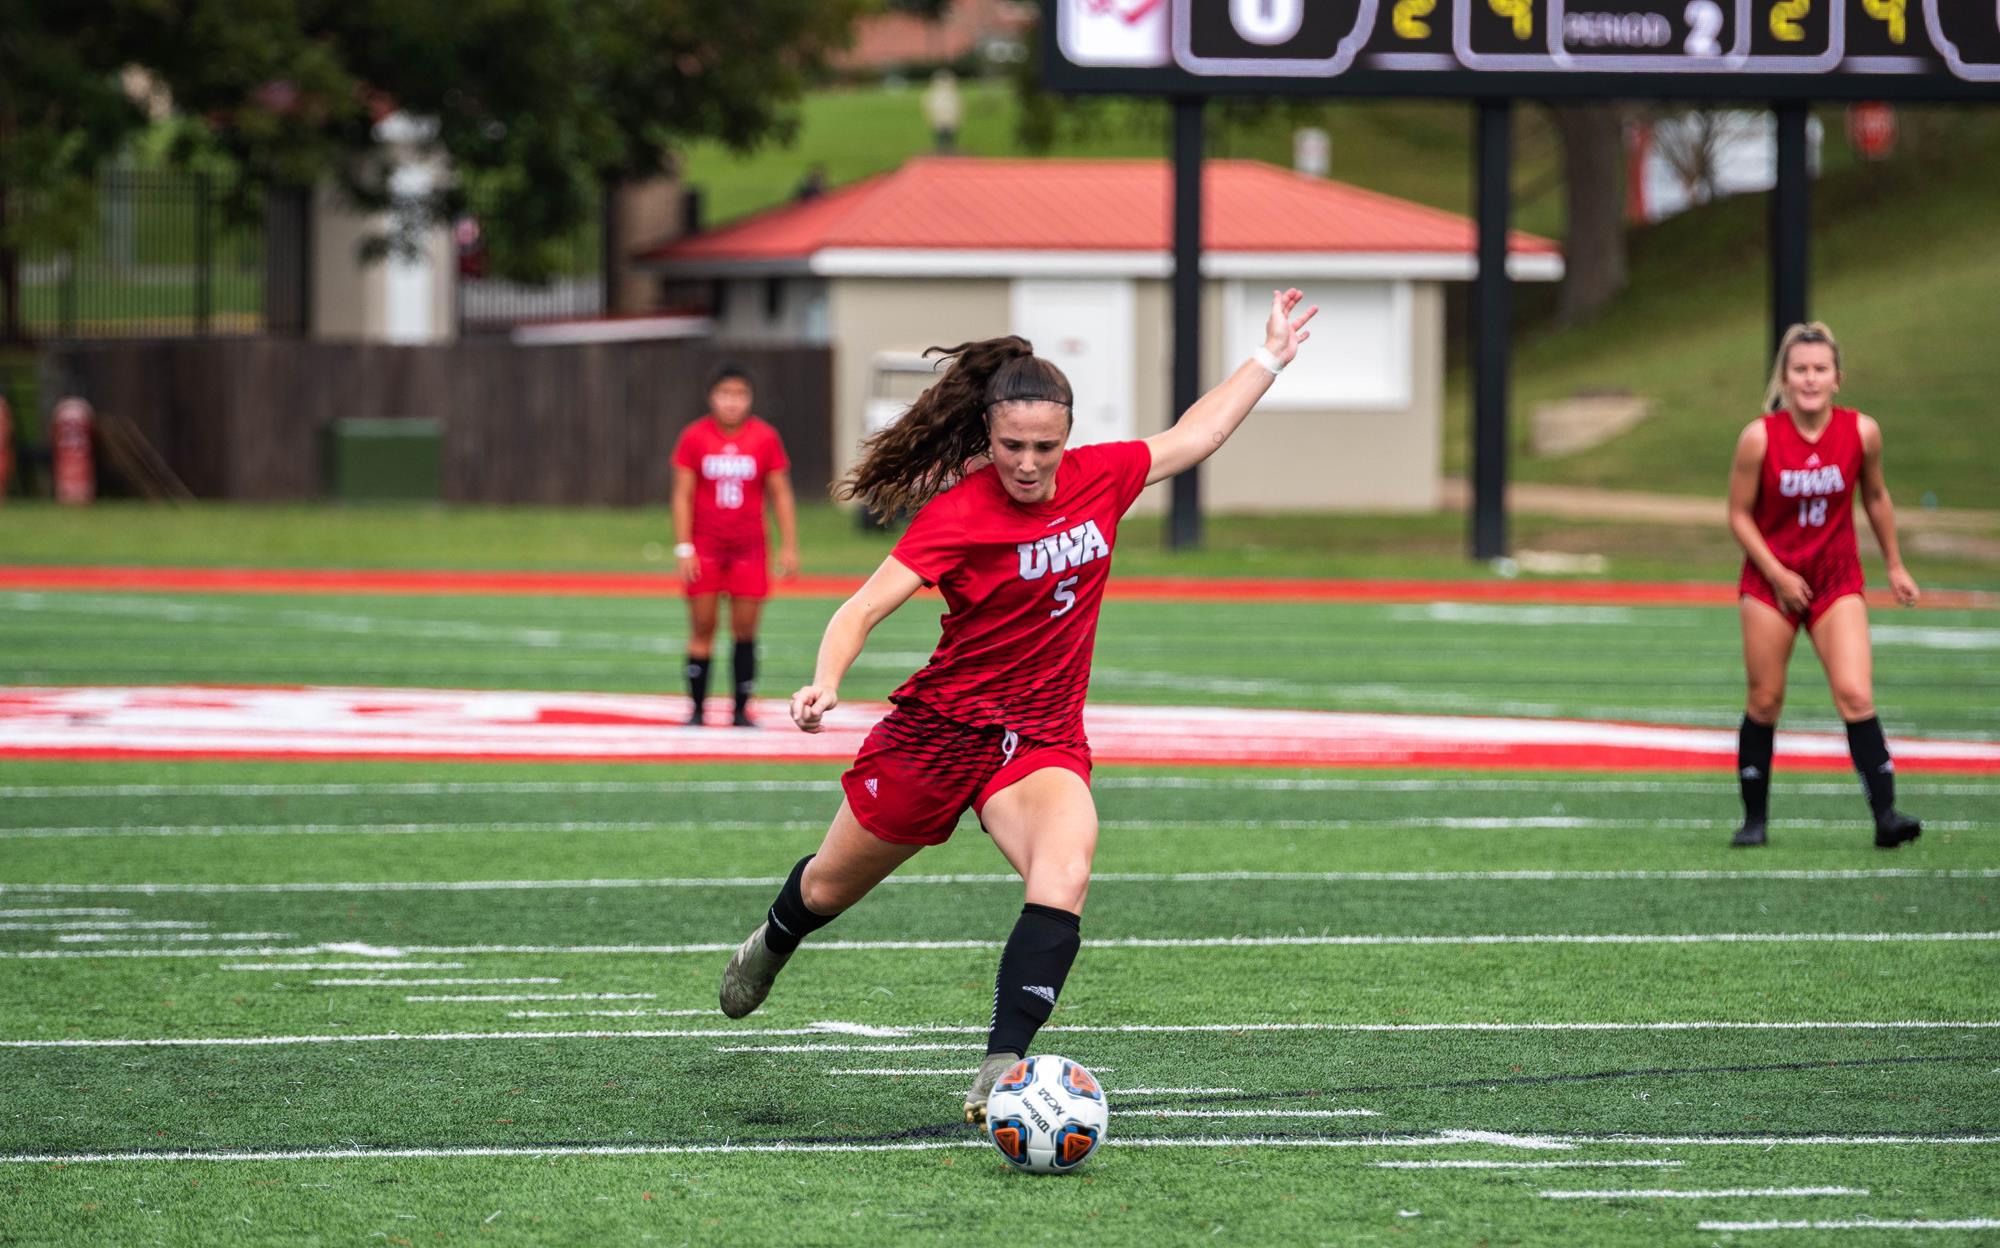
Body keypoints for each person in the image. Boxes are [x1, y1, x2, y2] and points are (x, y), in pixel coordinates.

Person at [717, 289, 1318, 1124]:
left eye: (1044, 446)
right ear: (987, 437)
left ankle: (1003, 1063)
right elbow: (859, 609)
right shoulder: (958, 514)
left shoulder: (1100, 476)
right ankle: (772, 942)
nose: (1029, 463)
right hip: (935, 737)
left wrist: (1269, 359)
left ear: (1067, 436)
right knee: (826, 889)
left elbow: (1197, 433)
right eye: (1011, 447)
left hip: (1038, 739)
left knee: (1064, 869)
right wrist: (826, 682)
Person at [1727, 322, 1922, 848]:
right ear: (1784, 379)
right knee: (1765, 700)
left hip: (1836, 578)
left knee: (1856, 693)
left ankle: (1886, 818)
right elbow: (1739, 516)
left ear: (1838, 377)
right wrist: (1777, 575)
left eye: (1820, 369)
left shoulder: (1862, 432)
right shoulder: (1759, 437)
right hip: (1773, 579)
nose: (1810, 379)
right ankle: (1754, 821)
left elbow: (1876, 497)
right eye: (1800, 370)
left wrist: (1895, 565)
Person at [671, 363, 800, 727]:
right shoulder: (694, 437)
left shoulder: (764, 438)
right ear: (712, 397)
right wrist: (684, 547)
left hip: (749, 547)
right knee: (702, 626)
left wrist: (789, 545)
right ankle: (696, 710)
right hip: (706, 545)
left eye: (740, 394)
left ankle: (741, 709)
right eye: (725, 394)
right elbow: (682, 495)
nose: (732, 402)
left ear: (750, 398)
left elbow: (781, 495)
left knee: (745, 629)